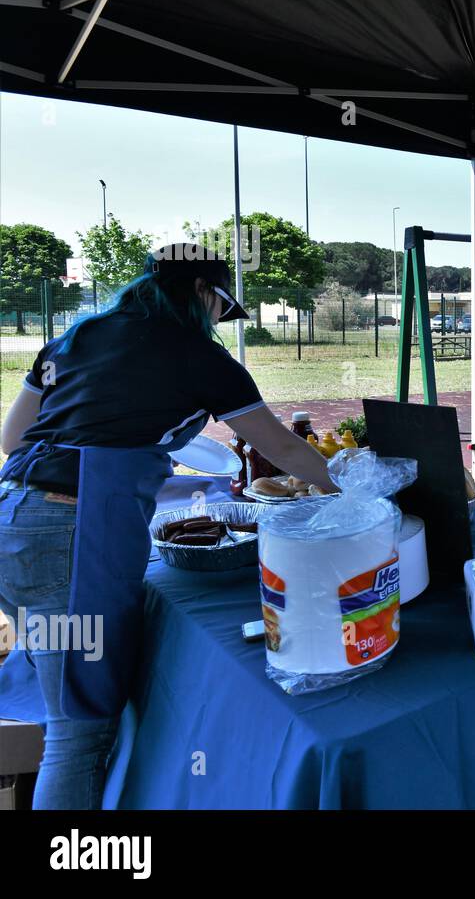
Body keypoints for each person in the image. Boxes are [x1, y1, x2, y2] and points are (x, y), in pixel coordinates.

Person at [0, 244, 333, 809]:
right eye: (221, 306)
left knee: (66, 700)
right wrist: (356, 490)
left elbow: (14, 441)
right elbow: (280, 448)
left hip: (13, 518)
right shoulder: (200, 356)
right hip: (68, 540)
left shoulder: (74, 339)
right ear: (203, 291)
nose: (218, 321)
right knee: (78, 731)